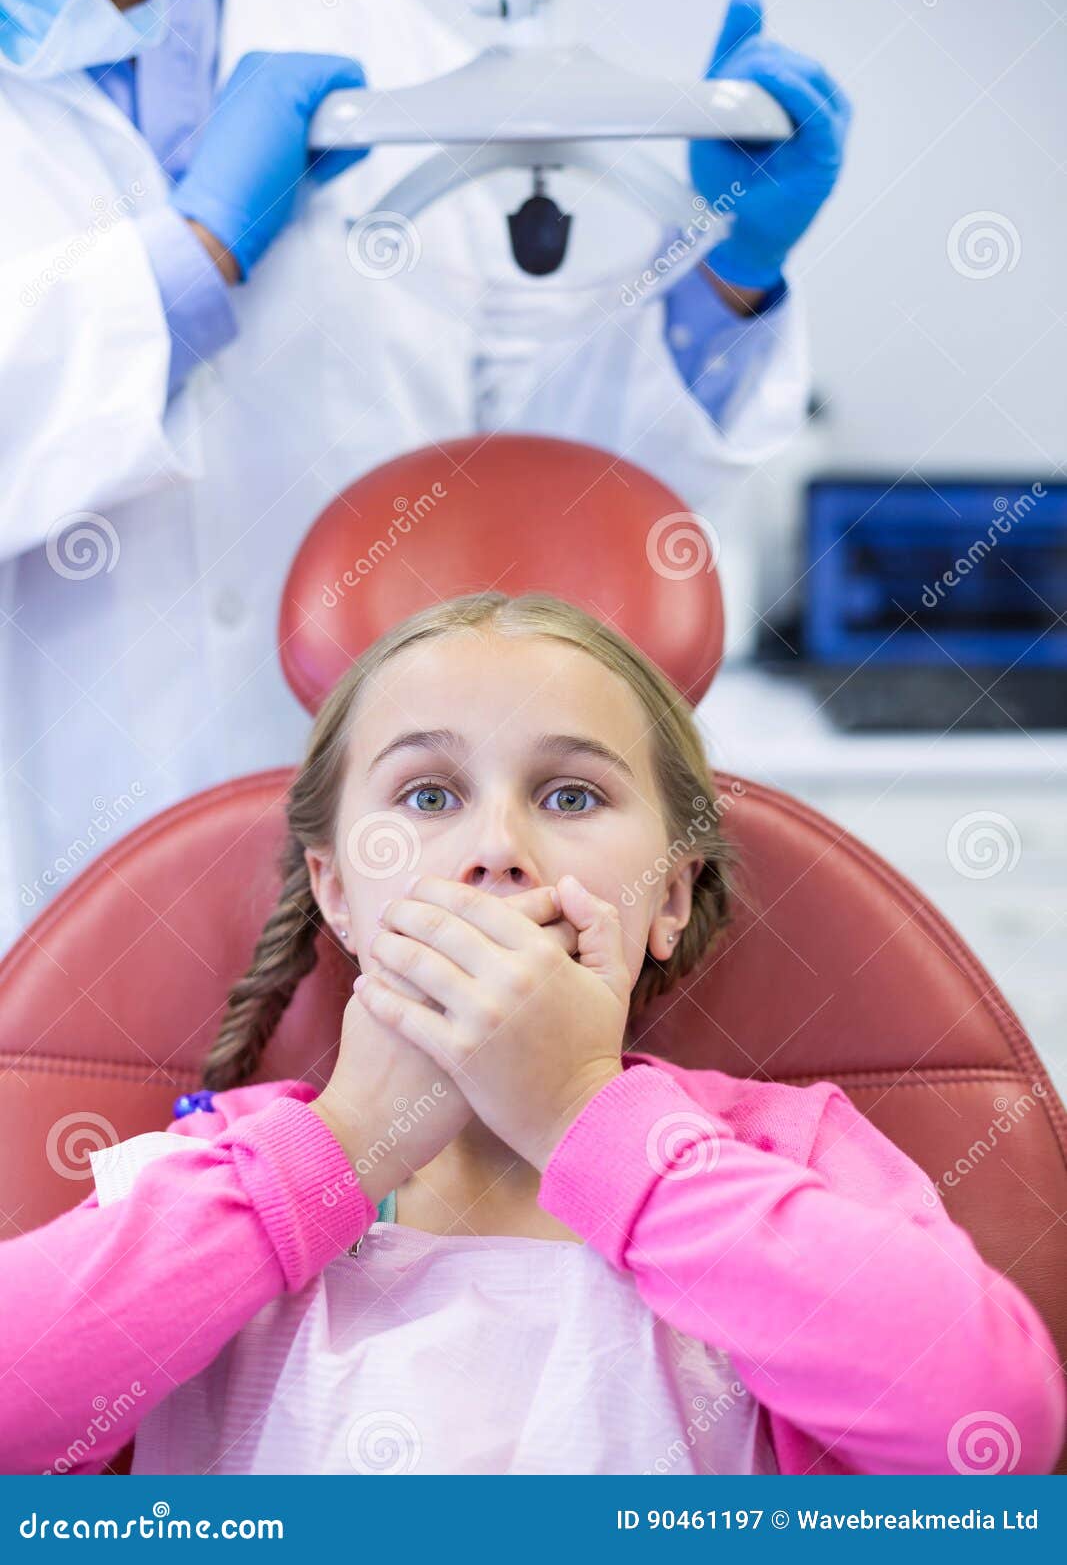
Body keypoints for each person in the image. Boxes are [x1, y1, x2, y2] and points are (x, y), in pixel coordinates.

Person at [0, 592, 1062, 1476]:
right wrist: (342, 1141)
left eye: (570, 793)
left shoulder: (781, 1154)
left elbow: (995, 1433)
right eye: (427, 794)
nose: (496, 848)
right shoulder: (221, 1168)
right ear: (334, 890)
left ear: (668, 897)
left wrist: (578, 1115)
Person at [0, 0, 850, 949]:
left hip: (415, 901)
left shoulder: (382, 46)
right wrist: (196, 257)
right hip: (51, 871)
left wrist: (718, 272)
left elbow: (541, 481)